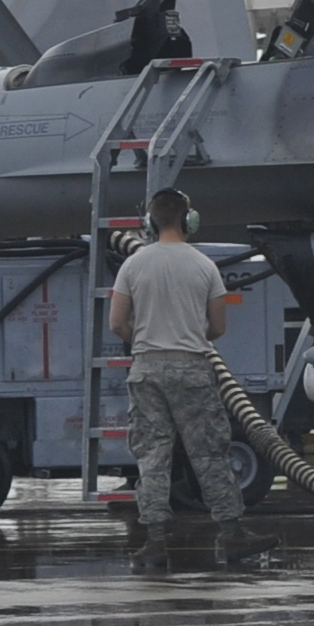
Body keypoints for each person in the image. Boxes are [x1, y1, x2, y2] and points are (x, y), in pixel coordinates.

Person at [109, 188, 253, 559]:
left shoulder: (133, 265)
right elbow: (218, 327)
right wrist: (188, 336)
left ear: (150, 222)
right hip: (192, 368)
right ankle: (232, 534)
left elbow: (116, 324)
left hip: (147, 369)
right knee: (208, 453)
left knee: (153, 456)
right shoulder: (204, 265)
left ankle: (155, 541)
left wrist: (143, 339)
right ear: (190, 219)